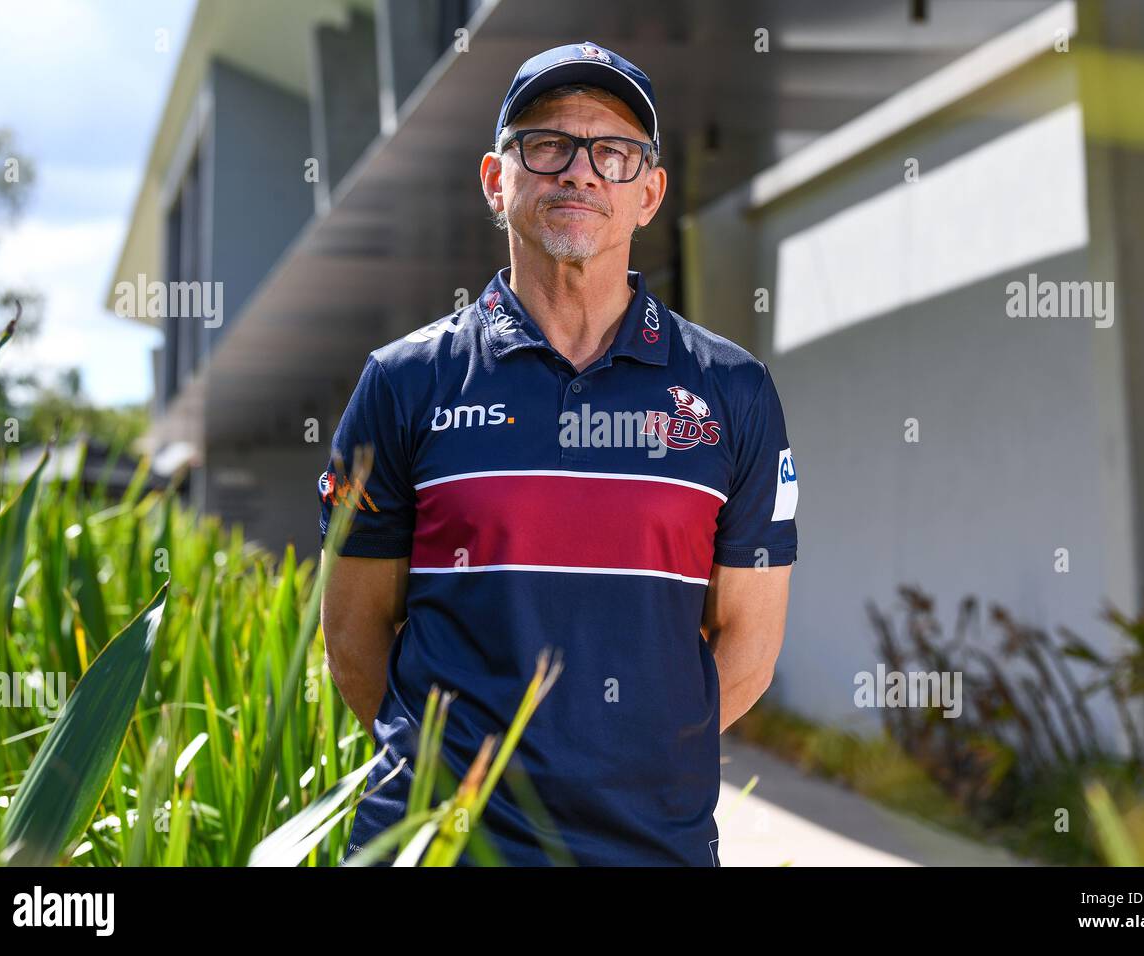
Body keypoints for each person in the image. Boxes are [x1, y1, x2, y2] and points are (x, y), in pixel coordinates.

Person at [318, 40, 799, 866]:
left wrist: (633, 756)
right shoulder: (404, 384)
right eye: (547, 146)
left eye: (613, 153)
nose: (581, 173)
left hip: (653, 847)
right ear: (495, 180)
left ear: (649, 194)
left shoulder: (733, 392)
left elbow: (748, 650)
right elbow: (355, 642)